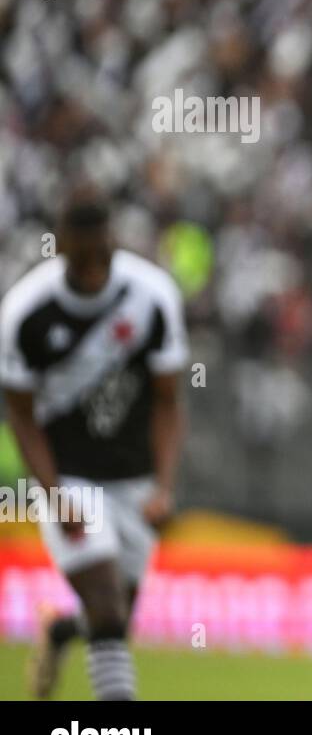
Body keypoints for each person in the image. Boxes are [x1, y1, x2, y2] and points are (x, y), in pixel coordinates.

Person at [0, 184, 187, 700]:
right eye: (77, 249)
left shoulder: (151, 297)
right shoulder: (26, 310)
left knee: (113, 621)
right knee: (106, 606)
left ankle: (60, 630)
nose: (88, 262)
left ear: (109, 239)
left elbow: (169, 401)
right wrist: (53, 491)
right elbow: (20, 413)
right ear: (59, 243)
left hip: (134, 479)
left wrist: (164, 487)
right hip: (72, 478)